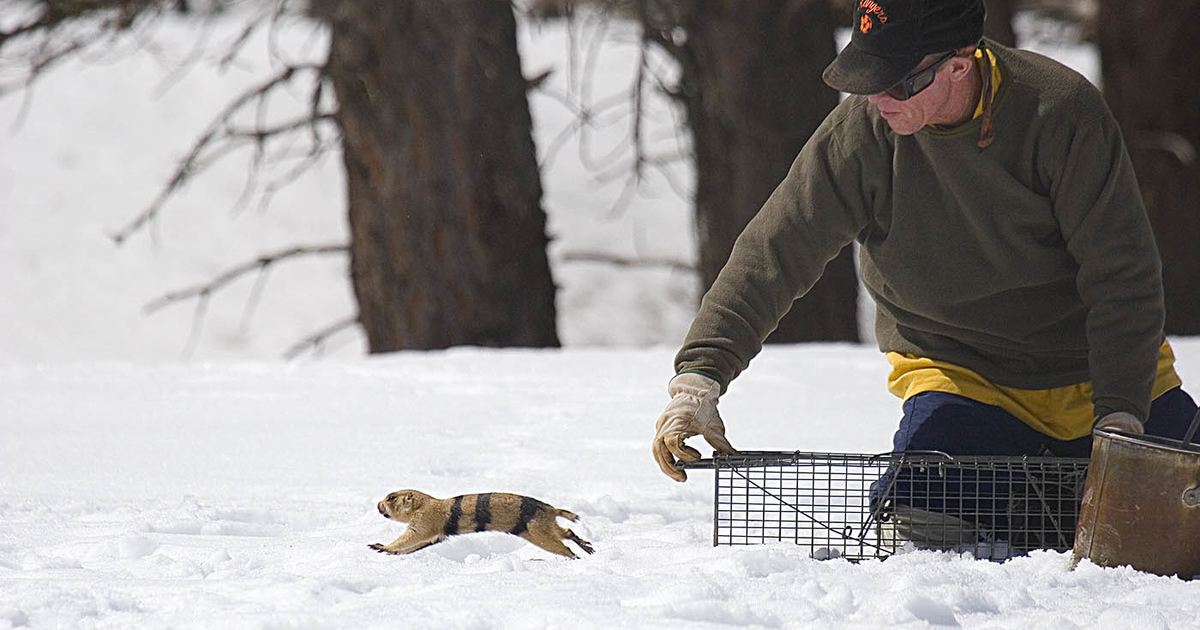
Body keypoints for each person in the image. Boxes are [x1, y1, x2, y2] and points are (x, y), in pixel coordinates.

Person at [651, 0, 1198, 485]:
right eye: (864, 78)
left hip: (1098, 373)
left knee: (1176, 526)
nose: (877, 99)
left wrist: (1123, 416)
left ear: (959, 65)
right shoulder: (861, 133)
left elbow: (1121, 277)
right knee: (934, 529)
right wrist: (699, 381)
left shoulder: (1058, 112)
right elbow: (773, 254)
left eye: (896, 82)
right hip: (962, 378)